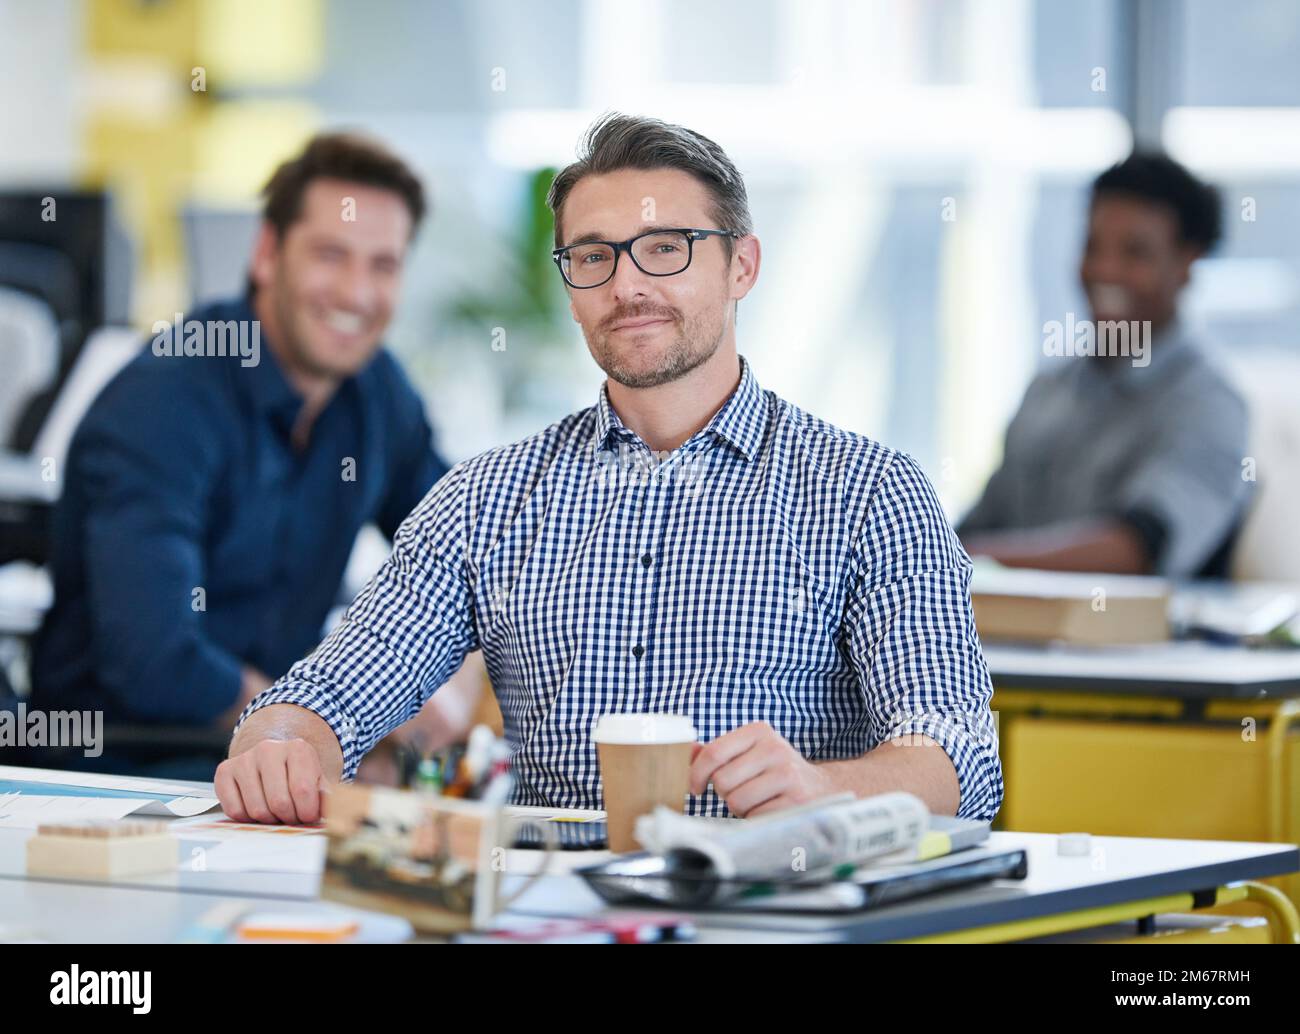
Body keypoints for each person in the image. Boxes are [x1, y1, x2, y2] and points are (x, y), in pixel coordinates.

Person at [217, 114, 1003, 825]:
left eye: (666, 248)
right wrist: (284, 740)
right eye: (594, 256)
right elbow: (327, 694)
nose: (627, 286)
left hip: (769, 912)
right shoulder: (486, 498)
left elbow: (959, 755)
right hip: (544, 913)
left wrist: (826, 788)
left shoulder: (870, 493)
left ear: (742, 266)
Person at [31, 132, 481, 778]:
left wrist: (446, 702)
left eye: (384, 265)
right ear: (268, 253)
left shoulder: (376, 392)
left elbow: (475, 559)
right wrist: (310, 730)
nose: (358, 293)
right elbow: (157, 661)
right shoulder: (164, 402)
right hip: (131, 762)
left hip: (282, 760)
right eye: (332, 255)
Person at [960, 152, 1249, 576]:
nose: (1104, 269)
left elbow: (1135, 551)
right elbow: (979, 526)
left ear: (1187, 262)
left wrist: (961, 561)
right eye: (1092, 246)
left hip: (1128, 640)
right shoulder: (1050, 388)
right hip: (1003, 638)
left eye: (1135, 253)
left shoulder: (1210, 404)